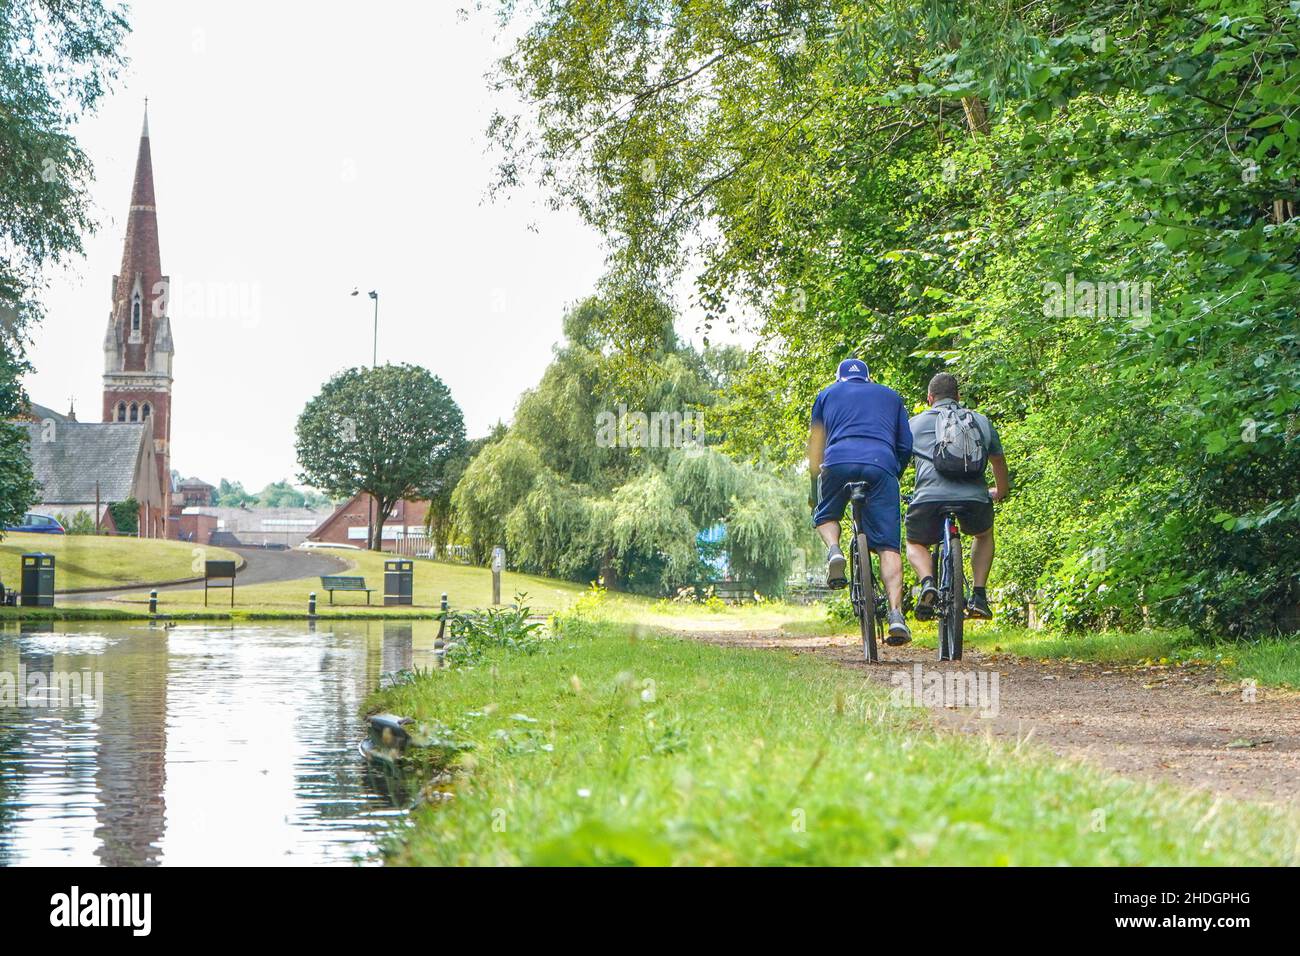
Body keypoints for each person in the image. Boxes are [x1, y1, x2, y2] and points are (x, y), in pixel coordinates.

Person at [808, 358, 914, 643]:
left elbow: (815, 444)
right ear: (869, 379)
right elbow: (905, 445)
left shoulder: (826, 394)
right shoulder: (891, 396)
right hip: (881, 464)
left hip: (837, 462)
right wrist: (892, 473)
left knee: (826, 514)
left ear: (839, 379)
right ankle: (895, 615)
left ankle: (834, 550)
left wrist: (813, 484)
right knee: (888, 547)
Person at [905, 372, 1010, 620]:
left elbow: (898, 462)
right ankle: (979, 595)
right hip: (974, 498)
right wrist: (1001, 491)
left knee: (915, 542)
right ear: (958, 397)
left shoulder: (913, 424)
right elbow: (998, 460)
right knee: (983, 534)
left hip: (928, 498)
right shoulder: (980, 421)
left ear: (930, 398)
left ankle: (928, 582)